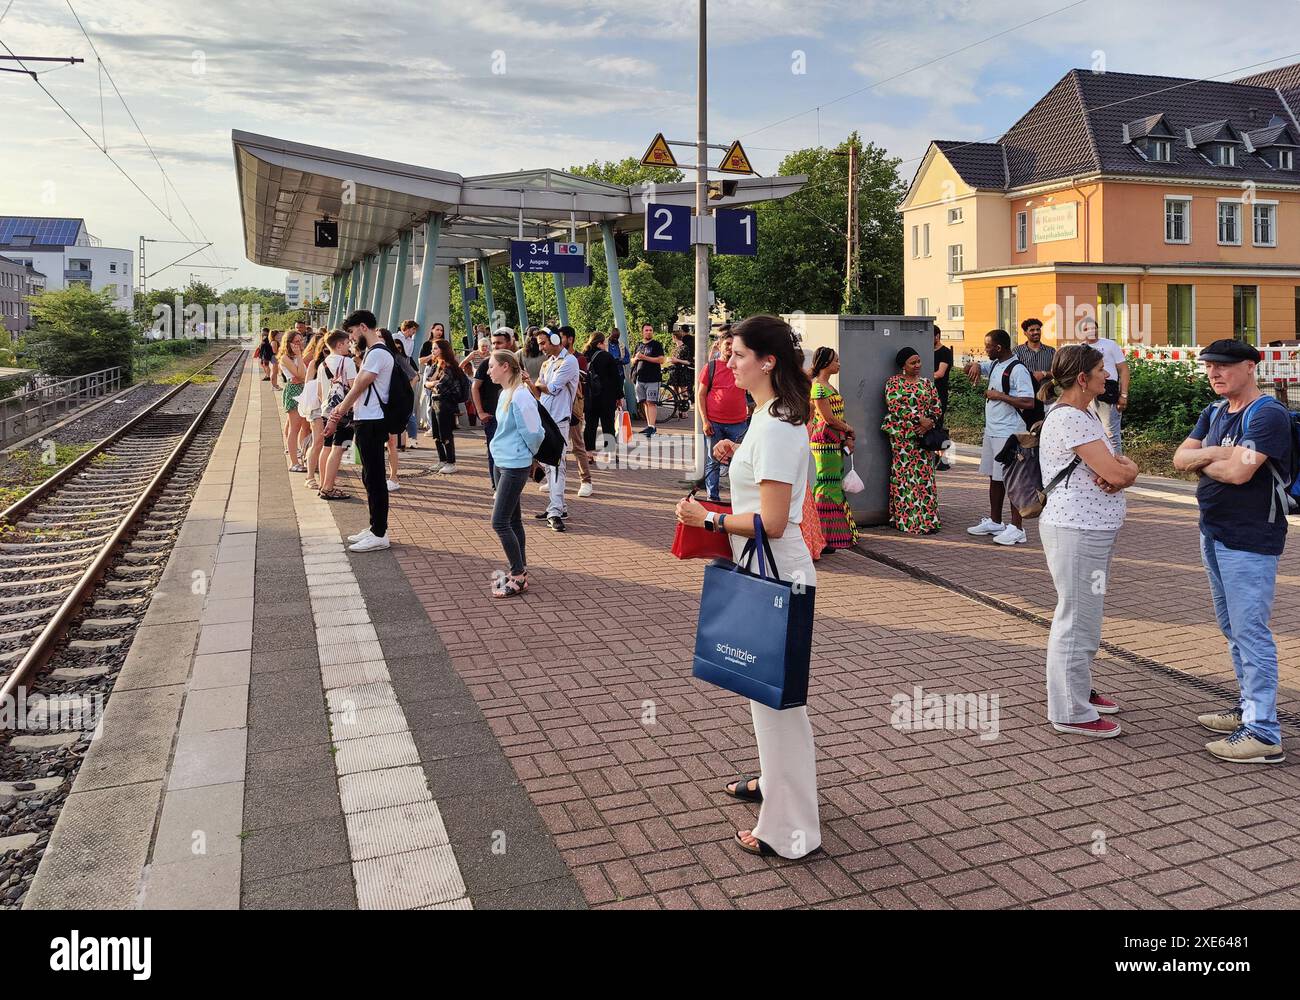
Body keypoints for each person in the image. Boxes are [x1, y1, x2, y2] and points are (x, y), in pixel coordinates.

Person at [674, 314, 820, 861]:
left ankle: (790, 829)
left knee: (779, 706)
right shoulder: (768, 417)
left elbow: (775, 521)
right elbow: (766, 492)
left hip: (777, 574)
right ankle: (773, 783)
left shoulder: (778, 424)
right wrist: (739, 460)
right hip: (771, 571)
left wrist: (706, 521)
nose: (726, 362)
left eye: (735, 354)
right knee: (769, 697)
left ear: (768, 361)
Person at [1173, 339, 1294, 764]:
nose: (1214, 373)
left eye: (1223, 366)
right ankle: (1248, 709)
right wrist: (1218, 453)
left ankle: (1263, 732)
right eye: (1209, 367)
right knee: (1232, 628)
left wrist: (1207, 458)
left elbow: (1241, 473)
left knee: (1251, 632)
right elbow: (1179, 459)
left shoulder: (1268, 415)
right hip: (1214, 531)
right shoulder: (1215, 412)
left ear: (1249, 367)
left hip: (1250, 538)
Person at [1038, 345, 1139, 738]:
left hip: (1089, 530)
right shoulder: (1073, 420)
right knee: (1078, 619)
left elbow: (1112, 471)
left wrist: (1119, 472)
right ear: (1083, 379)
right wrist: (1126, 471)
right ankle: (1069, 710)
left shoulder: (1085, 414)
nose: (1108, 376)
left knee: (1082, 615)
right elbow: (1115, 471)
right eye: (1101, 370)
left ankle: (1076, 689)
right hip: (1077, 531)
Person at [326, 310, 394, 552]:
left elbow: (358, 386)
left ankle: (379, 533)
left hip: (372, 421)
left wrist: (337, 413)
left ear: (363, 327)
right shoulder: (376, 352)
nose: (352, 338)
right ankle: (376, 526)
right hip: (368, 419)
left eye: (353, 332)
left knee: (374, 478)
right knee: (369, 475)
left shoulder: (377, 353)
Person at [964, 329, 1036, 546]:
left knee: (1013, 479)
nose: (985, 350)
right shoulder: (995, 363)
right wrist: (975, 364)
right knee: (995, 478)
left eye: (987, 346)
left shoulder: (1018, 370)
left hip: (1010, 432)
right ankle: (996, 521)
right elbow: (968, 368)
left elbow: (1029, 402)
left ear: (999, 348)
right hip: (993, 431)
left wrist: (999, 396)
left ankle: (1017, 529)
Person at [486, 350, 544, 597]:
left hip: (514, 464)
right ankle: (520, 570)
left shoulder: (521, 396)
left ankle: (518, 575)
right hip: (503, 462)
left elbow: (535, 432)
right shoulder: (505, 394)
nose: (488, 371)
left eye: (491, 366)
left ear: (505, 367)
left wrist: (526, 455)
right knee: (512, 520)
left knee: (499, 521)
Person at [883, 347, 942, 535]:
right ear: (903, 365)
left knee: (925, 477)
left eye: (918, 361)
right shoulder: (894, 383)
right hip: (902, 437)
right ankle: (907, 520)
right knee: (905, 477)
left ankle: (928, 520)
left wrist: (928, 423)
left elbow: (936, 406)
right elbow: (895, 406)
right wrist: (918, 419)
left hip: (924, 437)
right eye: (913, 362)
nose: (918, 365)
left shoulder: (927, 383)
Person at [527, 327, 578, 532]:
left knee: (556, 465)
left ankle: (555, 511)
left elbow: (553, 388)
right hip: (547, 418)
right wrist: (532, 383)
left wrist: (538, 384)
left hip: (559, 420)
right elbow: (539, 392)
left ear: (556, 339)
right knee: (551, 465)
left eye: (543, 342)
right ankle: (559, 507)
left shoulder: (569, 361)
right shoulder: (547, 363)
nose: (541, 347)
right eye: (539, 343)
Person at [808, 347, 858, 552]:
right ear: (826, 363)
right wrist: (848, 429)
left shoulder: (828, 387)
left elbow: (836, 418)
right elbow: (828, 418)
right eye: (836, 361)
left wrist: (846, 436)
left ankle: (828, 535)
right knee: (825, 486)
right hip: (824, 442)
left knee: (831, 484)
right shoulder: (818, 388)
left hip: (834, 441)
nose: (839, 364)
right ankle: (823, 536)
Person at [697, 329, 749, 502]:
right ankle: (713, 499)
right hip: (714, 423)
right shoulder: (711, 367)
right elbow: (701, 394)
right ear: (719, 345)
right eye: (727, 344)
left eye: (733, 345)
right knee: (713, 461)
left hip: (738, 424)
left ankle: (738, 500)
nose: (730, 348)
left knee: (740, 463)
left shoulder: (742, 366)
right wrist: (705, 421)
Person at [316, 330, 357, 501]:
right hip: (343, 412)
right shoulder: (347, 362)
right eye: (347, 343)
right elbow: (354, 388)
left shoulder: (322, 364)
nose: (350, 345)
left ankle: (323, 483)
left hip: (326, 410)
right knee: (338, 448)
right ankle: (328, 488)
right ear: (339, 345)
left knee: (326, 447)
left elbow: (319, 392)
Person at [1079, 316, 1129, 454]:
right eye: (1086, 328)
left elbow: (1124, 369)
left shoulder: (1109, 345)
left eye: (1093, 327)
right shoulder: (1081, 349)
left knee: (1110, 432)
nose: (1091, 330)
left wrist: (1123, 395)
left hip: (1107, 392)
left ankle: (1118, 465)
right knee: (1091, 431)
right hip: (1087, 394)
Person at [473, 328, 515, 486]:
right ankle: (497, 485)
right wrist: (480, 412)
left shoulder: (515, 362)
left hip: (511, 414)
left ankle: (508, 484)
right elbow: (474, 387)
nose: (495, 346)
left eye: (499, 343)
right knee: (495, 451)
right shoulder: (487, 363)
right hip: (492, 415)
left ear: (509, 343)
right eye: (493, 343)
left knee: (511, 451)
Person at [559, 327, 594, 497]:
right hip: (558, 407)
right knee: (558, 445)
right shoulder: (554, 358)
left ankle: (586, 481)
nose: (558, 341)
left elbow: (576, 380)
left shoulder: (578, 359)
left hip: (573, 408)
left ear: (570, 339)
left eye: (561, 337)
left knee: (577, 445)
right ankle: (558, 481)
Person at [425, 338, 464, 475]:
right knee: (436, 433)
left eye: (435, 348)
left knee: (445, 433)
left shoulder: (450, 367)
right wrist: (432, 383)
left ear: (443, 350)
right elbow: (427, 382)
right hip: (435, 400)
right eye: (432, 348)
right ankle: (442, 459)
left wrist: (432, 384)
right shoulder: (436, 365)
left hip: (445, 403)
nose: (432, 351)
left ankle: (451, 462)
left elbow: (440, 386)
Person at [582, 332, 622, 458]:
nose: (605, 345)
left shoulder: (584, 356)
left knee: (590, 425)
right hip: (607, 396)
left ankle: (589, 452)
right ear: (599, 343)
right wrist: (619, 396)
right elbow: (616, 378)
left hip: (589, 396)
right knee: (608, 424)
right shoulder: (607, 356)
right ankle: (609, 451)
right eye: (604, 342)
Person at [385, 332, 417, 487]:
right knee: (383, 442)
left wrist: (406, 390)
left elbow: (414, 375)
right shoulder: (372, 356)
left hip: (393, 404)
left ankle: (393, 476)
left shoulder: (397, 358)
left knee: (391, 441)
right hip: (379, 406)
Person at [278, 328, 309, 472]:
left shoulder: (298, 357)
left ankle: (302, 456)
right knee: (294, 428)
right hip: (294, 391)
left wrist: (299, 358)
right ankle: (293, 463)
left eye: (300, 340)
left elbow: (302, 376)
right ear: (288, 343)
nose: (299, 343)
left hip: (303, 390)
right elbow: (299, 375)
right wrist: (299, 356)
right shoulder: (285, 357)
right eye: (296, 341)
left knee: (305, 426)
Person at [1014, 317, 1055, 428]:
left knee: (1047, 428)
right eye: (1032, 330)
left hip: (1047, 397)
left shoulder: (1051, 351)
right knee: (1028, 432)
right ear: (1025, 333)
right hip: (1026, 398)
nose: (1036, 332)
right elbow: (1013, 372)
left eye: (1038, 329)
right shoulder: (1017, 352)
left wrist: (1044, 374)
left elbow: (1058, 372)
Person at [301, 332, 329, 491]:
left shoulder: (341, 362)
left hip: (332, 407)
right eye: (325, 350)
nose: (328, 353)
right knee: (318, 441)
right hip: (317, 407)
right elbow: (308, 387)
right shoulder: (314, 363)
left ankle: (326, 478)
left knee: (328, 444)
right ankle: (310, 476)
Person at [632, 322, 664, 436]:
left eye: (650, 330)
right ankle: (649, 425)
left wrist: (644, 357)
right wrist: (635, 359)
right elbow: (633, 359)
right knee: (645, 402)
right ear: (642, 332)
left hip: (653, 378)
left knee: (651, 402)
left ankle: (652, 427)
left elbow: (661, 360)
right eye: (646, 330)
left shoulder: (656, 345)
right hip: (640, 378)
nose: (649, 332)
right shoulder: (639, 345)